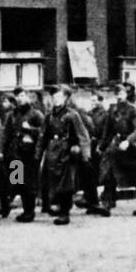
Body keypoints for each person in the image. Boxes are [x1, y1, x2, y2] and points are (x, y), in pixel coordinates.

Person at [41, 84, 91, 224]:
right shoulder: (49, 116)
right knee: (52, 182)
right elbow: (43, 135)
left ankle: (64, 213)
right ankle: (55, 206)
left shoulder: (72, 115)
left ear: (66, 98)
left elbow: (83, 135)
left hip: (66, 152)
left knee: (65, 183)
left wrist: (85, 154)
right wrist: (38, 153)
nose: (56, 99)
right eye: (54, 96)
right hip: (51, 152)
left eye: (59, 96)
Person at [98, 83, 136, 215]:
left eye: (121, 94)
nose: (119, 97)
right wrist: (102, 146)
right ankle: (108, 204)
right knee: (110, 172)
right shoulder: (113, 109)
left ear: (126, 95)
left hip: (131, 145)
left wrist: (129, 141)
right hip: (116, 144)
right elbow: (107, 130)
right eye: (117, 94)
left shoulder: (133, 109)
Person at [0, 87, 45, 222]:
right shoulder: (12, 115)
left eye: (22, 95)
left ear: (27, 97)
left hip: (29, 153)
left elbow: (43, 133)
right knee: (16, 181)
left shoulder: (36, 114)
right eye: (17, 96)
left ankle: (29, 211)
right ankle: (10, 205)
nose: (20, 98)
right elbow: (5, 134)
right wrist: (1, 150)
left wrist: (30, 129)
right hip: (15, 153)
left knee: (29, 183)